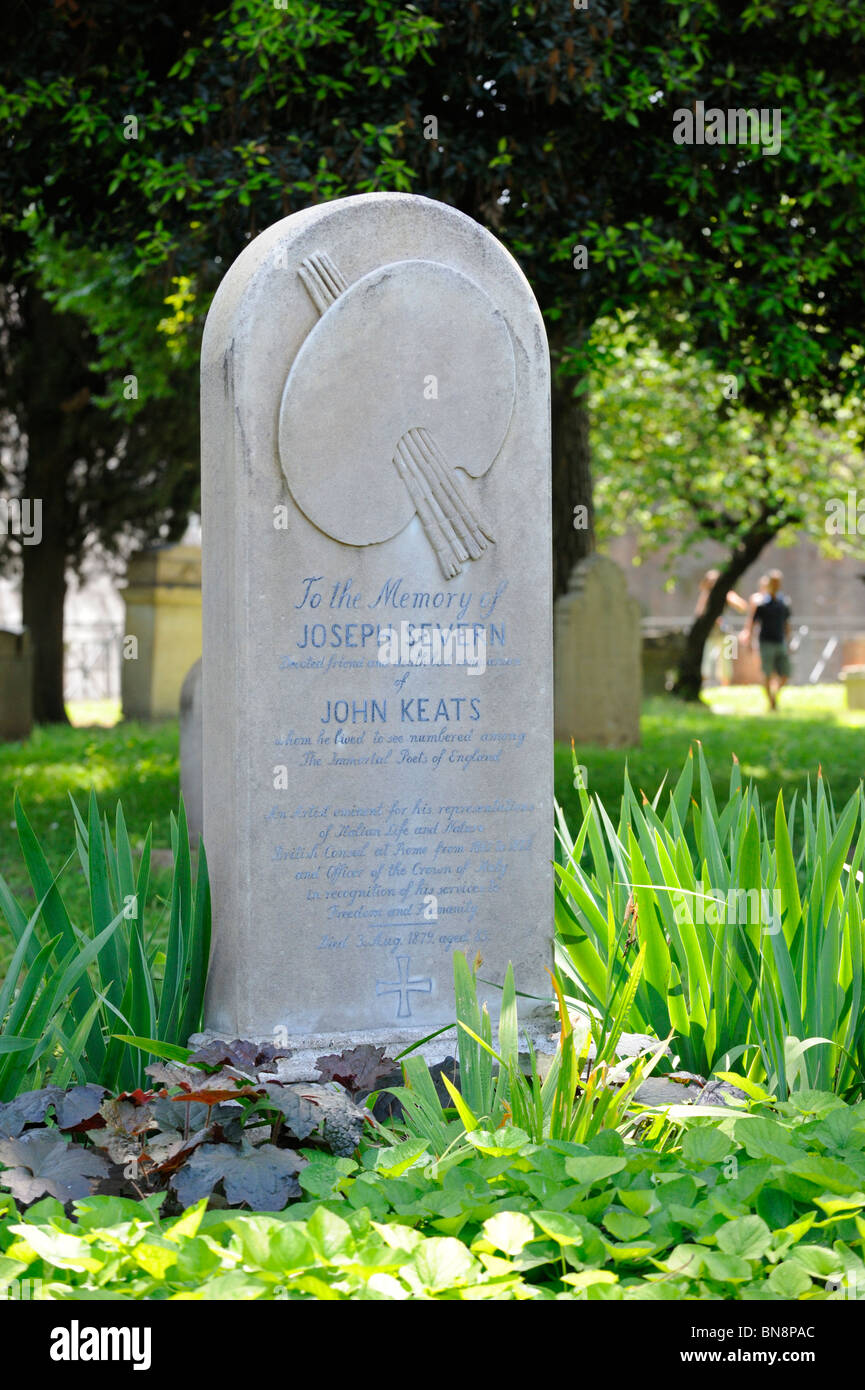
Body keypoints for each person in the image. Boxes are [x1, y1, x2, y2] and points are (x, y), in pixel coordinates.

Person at [742, 569, 792, 711]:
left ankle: (774, 698)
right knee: (767, 673)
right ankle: (771, 703)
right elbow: (752, 623)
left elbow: (787, 624)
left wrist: (788, 642)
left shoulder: (784, 603)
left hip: (780, 642)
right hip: (766, 642)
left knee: (785, 673)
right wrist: (749, 641)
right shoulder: (761, 603)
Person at [696, 569, 749, 688]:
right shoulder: (705, 594)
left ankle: (725, 688)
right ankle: (702, 687)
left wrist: (729, 597)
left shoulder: (726, 594)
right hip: (709, 633)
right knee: (706, 662)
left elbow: (743, 607)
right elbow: (700, 613)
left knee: (725, 663)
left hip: (724, 633)